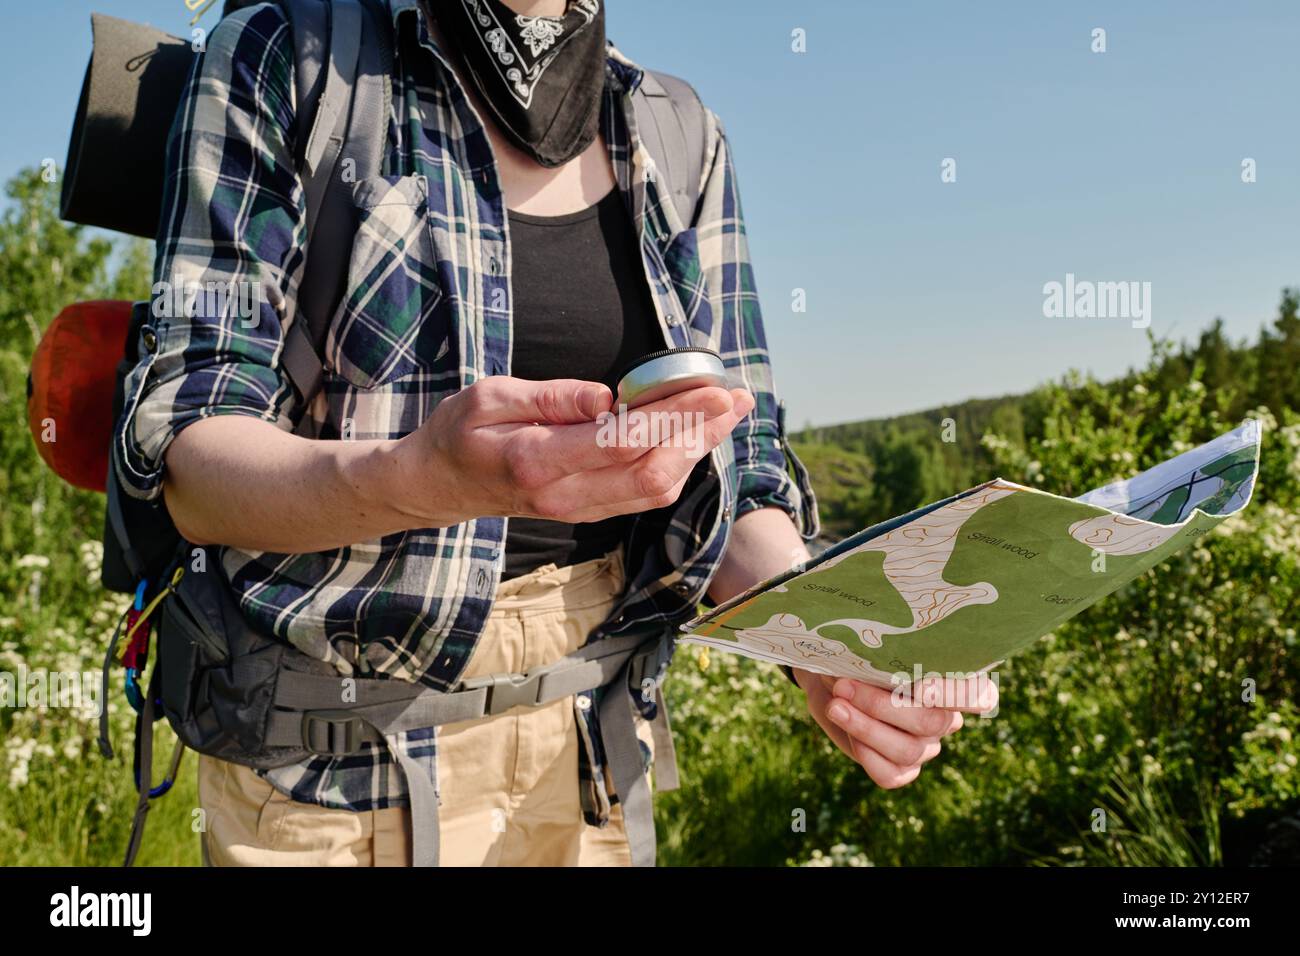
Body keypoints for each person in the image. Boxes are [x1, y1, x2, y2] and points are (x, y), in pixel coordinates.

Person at [114, 0, 995, 866]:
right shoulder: (291, 57)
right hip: (331, 787)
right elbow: (192, 455)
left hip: (590, 766)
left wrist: (826, 642)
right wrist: (425, 479)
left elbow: (742, 465)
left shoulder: (678, 131)